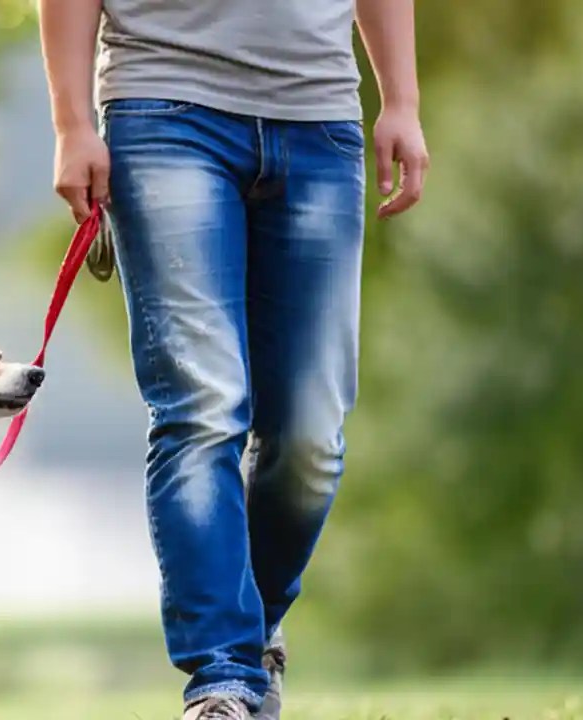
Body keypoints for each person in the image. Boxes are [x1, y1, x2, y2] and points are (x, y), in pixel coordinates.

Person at [38, 0, 428, 716]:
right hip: (162, 108)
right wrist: (72, 123)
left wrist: (400, 99)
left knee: (312, 436)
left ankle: (252, 626)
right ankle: (222, 676)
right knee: (202, 406)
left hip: (318, 115)